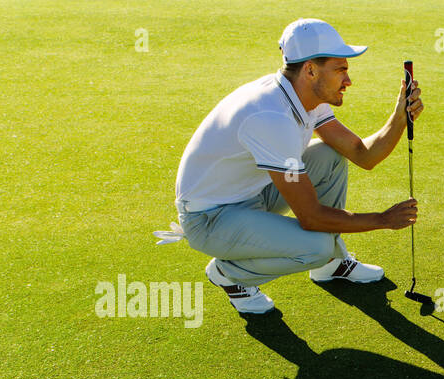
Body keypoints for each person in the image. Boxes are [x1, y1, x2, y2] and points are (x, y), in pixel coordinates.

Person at [169, 18, 423, 313]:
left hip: (252, 193)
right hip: (210, 219)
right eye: (340, 70)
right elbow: (311, 218)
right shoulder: (270, 116)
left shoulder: (307, 97)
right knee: (316, 247)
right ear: (310, 70)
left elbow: (362, 155)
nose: (348, 80)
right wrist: (382, 220)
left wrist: (398, 118)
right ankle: (230, 274)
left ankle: (331, 265)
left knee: (328, 156)